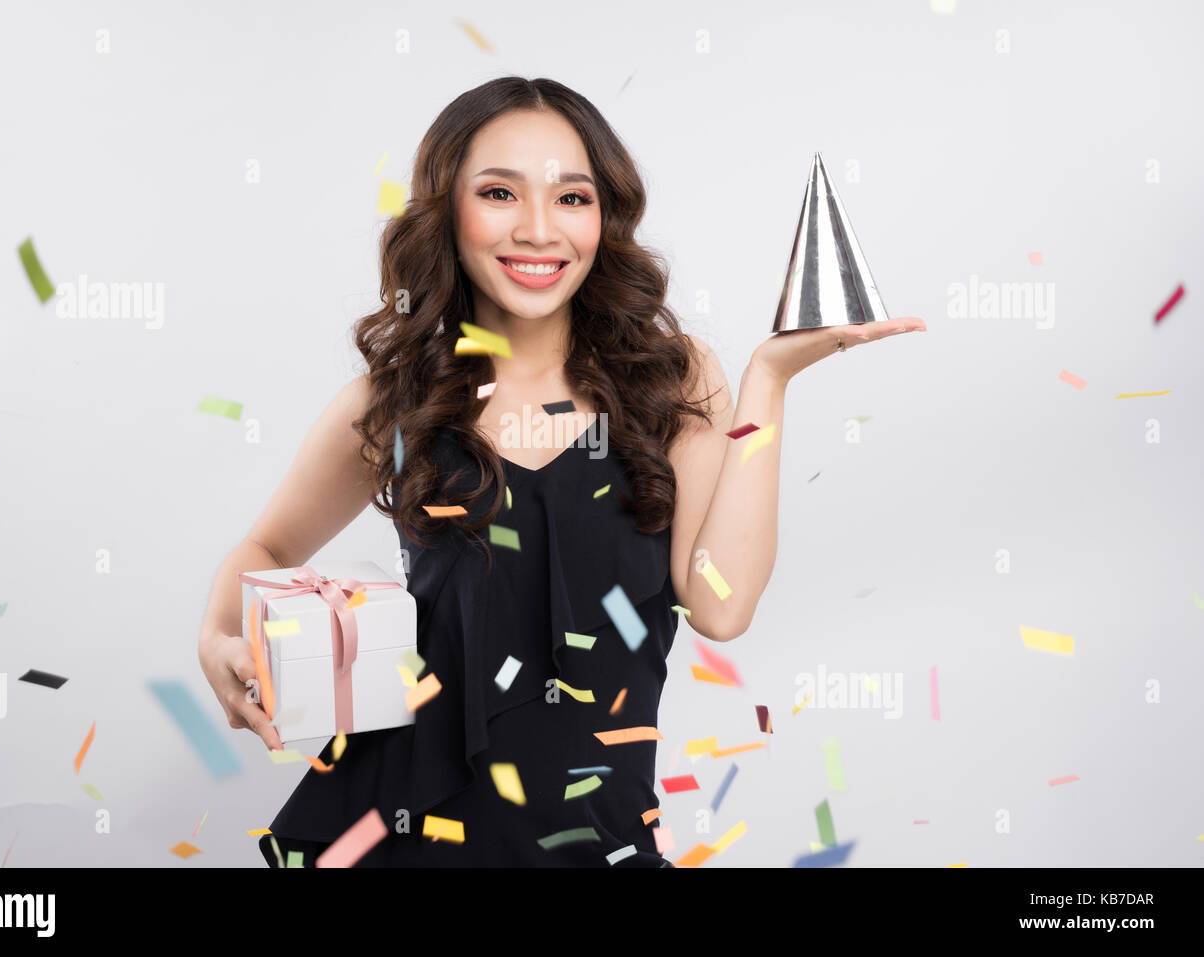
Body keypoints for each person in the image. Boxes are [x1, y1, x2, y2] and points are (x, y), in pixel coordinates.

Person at [196, 76, 925, 867]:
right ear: (448, 210)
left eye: (572, 198)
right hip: (406, 837)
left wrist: (770, 381)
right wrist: (217, 639)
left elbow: (720, 606)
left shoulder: (674, 379)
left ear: (603, 216)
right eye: (500, 193)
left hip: (602, 841)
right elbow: (264, 550)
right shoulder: (396, 399)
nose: (539, 230)